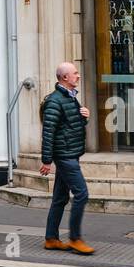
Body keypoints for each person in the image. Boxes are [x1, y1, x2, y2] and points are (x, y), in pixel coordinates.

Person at [40, 62, 94, 254]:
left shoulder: (69, 98)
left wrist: (84, 117)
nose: (78, 76)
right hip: (65, 156)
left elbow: (69, 124)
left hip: (71, 153)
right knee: (82, 194)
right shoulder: (55, 101)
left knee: (60, 198)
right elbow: (48, 132)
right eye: (75, 73)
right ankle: (75, 238)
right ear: (65, 78)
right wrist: (46, 160)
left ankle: (51, 238)